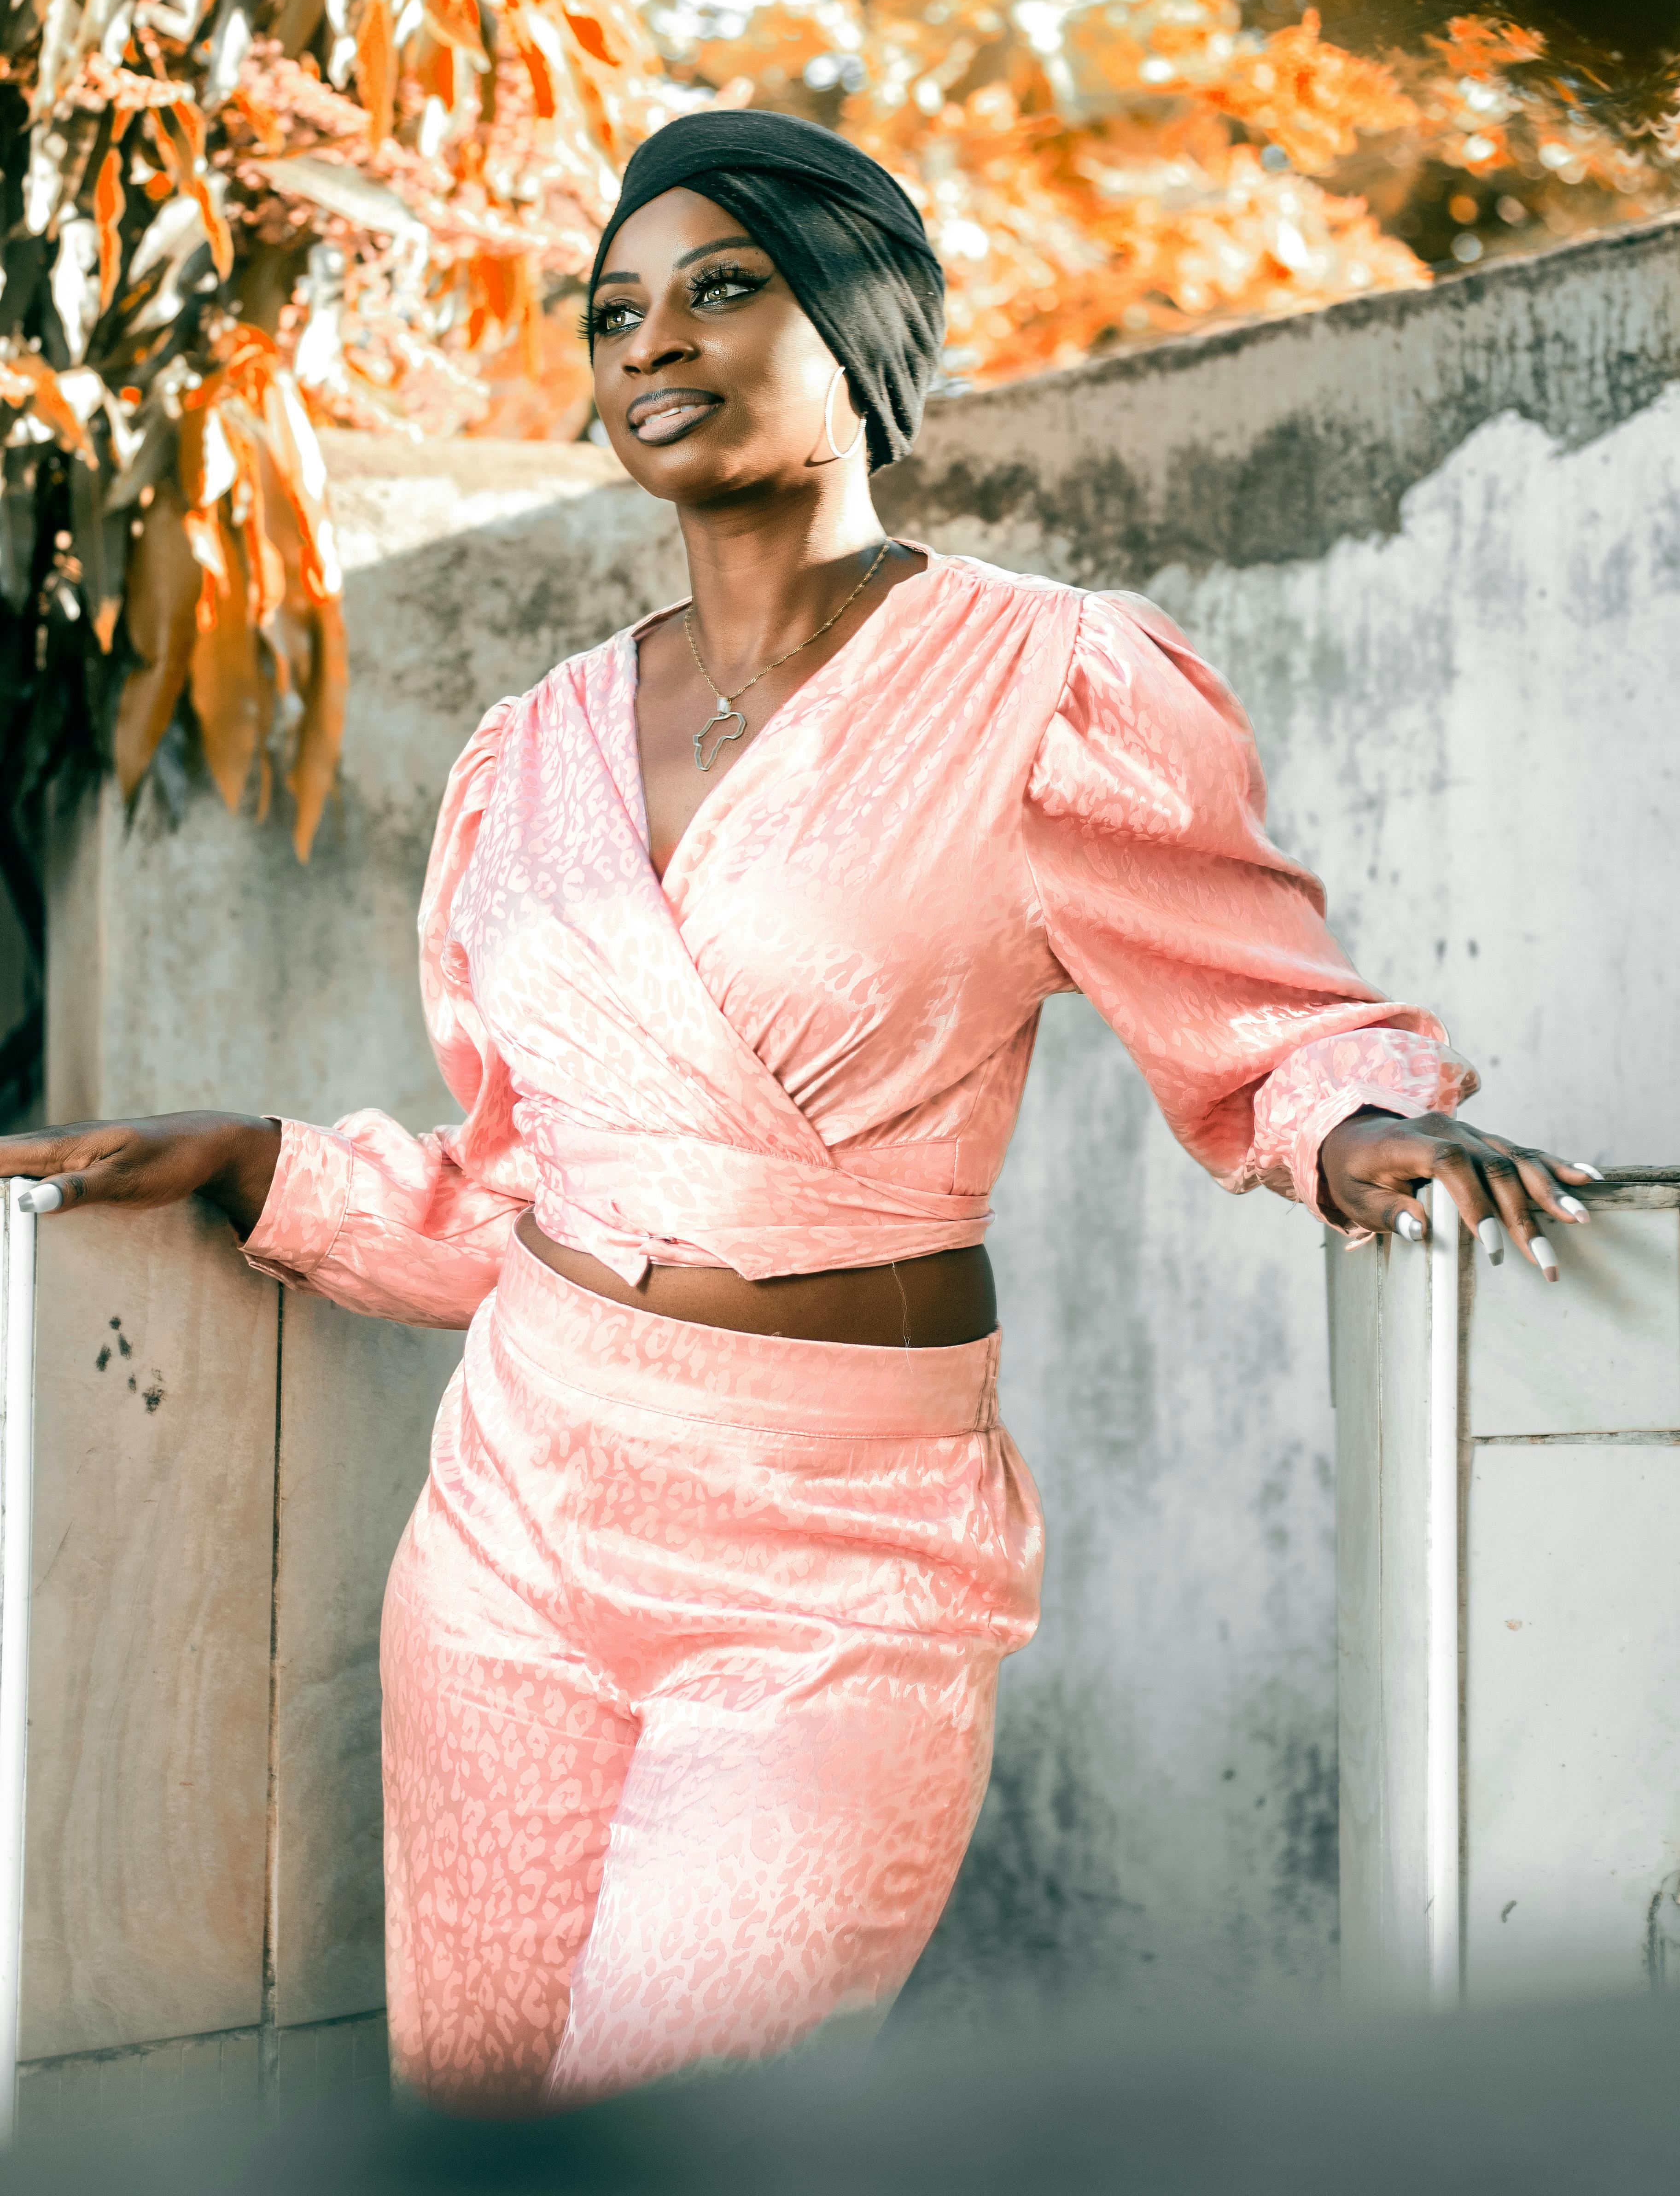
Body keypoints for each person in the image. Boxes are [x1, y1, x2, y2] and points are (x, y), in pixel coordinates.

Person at [0, 111, 1598, 2114]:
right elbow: (521, 1179)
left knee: (660, 2120)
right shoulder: (535, 753)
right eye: (616, 310)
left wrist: (1360, 1129)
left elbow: (1267, 1010)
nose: (656, 339)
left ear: (860, 322)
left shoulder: (1051, 683)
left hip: (850, 1560)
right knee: (488, 2138)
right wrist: (269, 1168)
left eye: (724, 285)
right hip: (515, 1523)